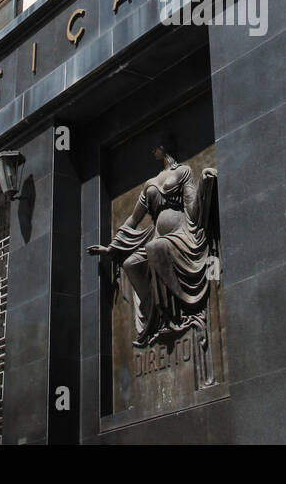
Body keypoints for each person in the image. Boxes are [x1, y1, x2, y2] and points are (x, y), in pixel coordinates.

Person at [88, 146, 217, 347]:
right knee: (131, 264)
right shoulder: (150, 183)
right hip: (157, 236)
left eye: (156, 146)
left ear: (165, 147)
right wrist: (111, 248)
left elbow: (191, 210)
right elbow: (133, 219)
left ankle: (172, 317)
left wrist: (205, 185)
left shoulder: (183, 172)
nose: (151, 151)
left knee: (154, 248)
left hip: (181, 234)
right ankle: (154, 315)